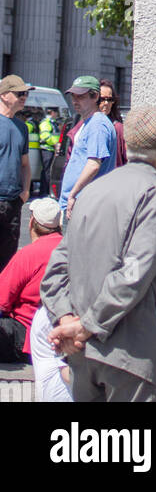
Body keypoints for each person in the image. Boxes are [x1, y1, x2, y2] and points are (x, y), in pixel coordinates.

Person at [40, 105, 156, 402]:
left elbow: (55, 270)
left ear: (126, 145)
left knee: (90, 448)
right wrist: (85, 326)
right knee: (126, 448)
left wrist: (67, 320)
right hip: (128, 353)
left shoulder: (92, 190)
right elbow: (134, 274)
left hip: (82, 355)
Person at [0, 197, 63, 361]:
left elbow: (2, 299)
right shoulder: (72, 249)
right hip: (62, 332)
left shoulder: (29, 254)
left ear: (32, 222)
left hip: (25, 333)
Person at [58, 75, 117, 218]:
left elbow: (94, 164)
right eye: (73, 96)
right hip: (79, 203)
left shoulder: (97, 125)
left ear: (95, 96)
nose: (75, 100)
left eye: (80, 96)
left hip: (83, 205)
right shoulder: (90, 123)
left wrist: (73, 194)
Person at [0, 75, 30, 271]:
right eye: (19, 93)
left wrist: (25, 191)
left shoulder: (22, 127)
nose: (24, 97)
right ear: (3, 95)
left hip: (13, 201)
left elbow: (25, 164)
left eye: (25, 94)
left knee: (8, 259)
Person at [97, 80, 127, 167]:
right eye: (102, 99)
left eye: (110, 99)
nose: (106, 103)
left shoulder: (118, 128)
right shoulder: (84, 125)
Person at [37, 110, 60, 199]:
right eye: (56, 112)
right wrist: (55, 143)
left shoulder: (52, 122)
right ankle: (43, 191)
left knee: (49, 171)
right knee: (46, 171)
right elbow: (45, 135)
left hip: (51, 149)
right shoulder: (45, 122)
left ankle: (46, 191)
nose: (57, 114)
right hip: (47, 149)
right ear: (51, 112)